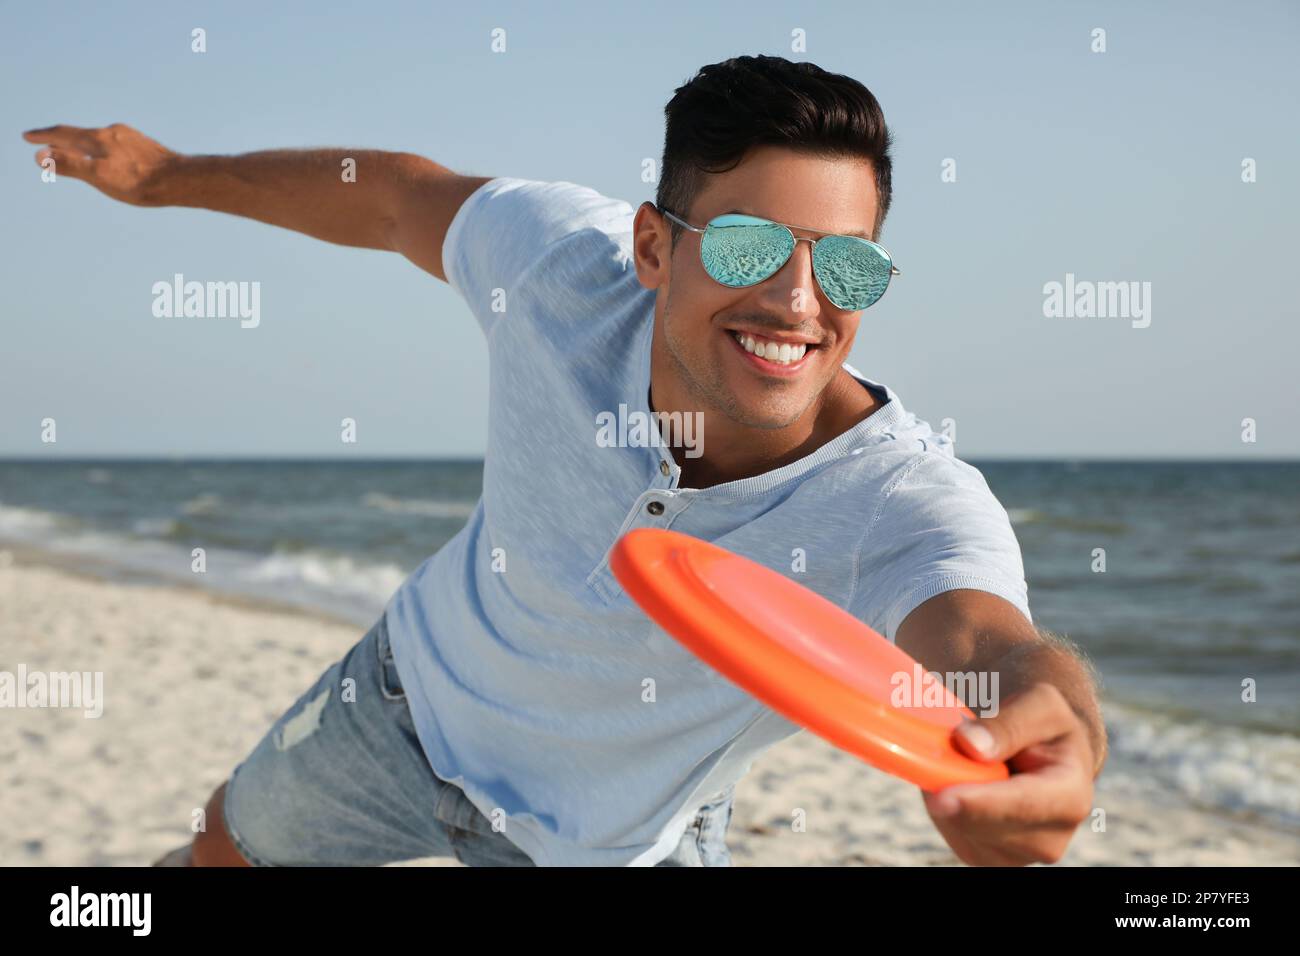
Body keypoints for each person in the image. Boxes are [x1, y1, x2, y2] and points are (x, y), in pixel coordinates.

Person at [25, 54, 1106, 867]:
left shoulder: (900, 498)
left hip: (610, 837)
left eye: (849, 266)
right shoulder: (558, 273)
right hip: (404, 704)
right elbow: (396, 195)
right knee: (216, 856)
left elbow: (986, 638)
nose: (795, 300)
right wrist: (164, 173)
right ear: (652, 245)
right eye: (746, 246)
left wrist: (1047, 727)